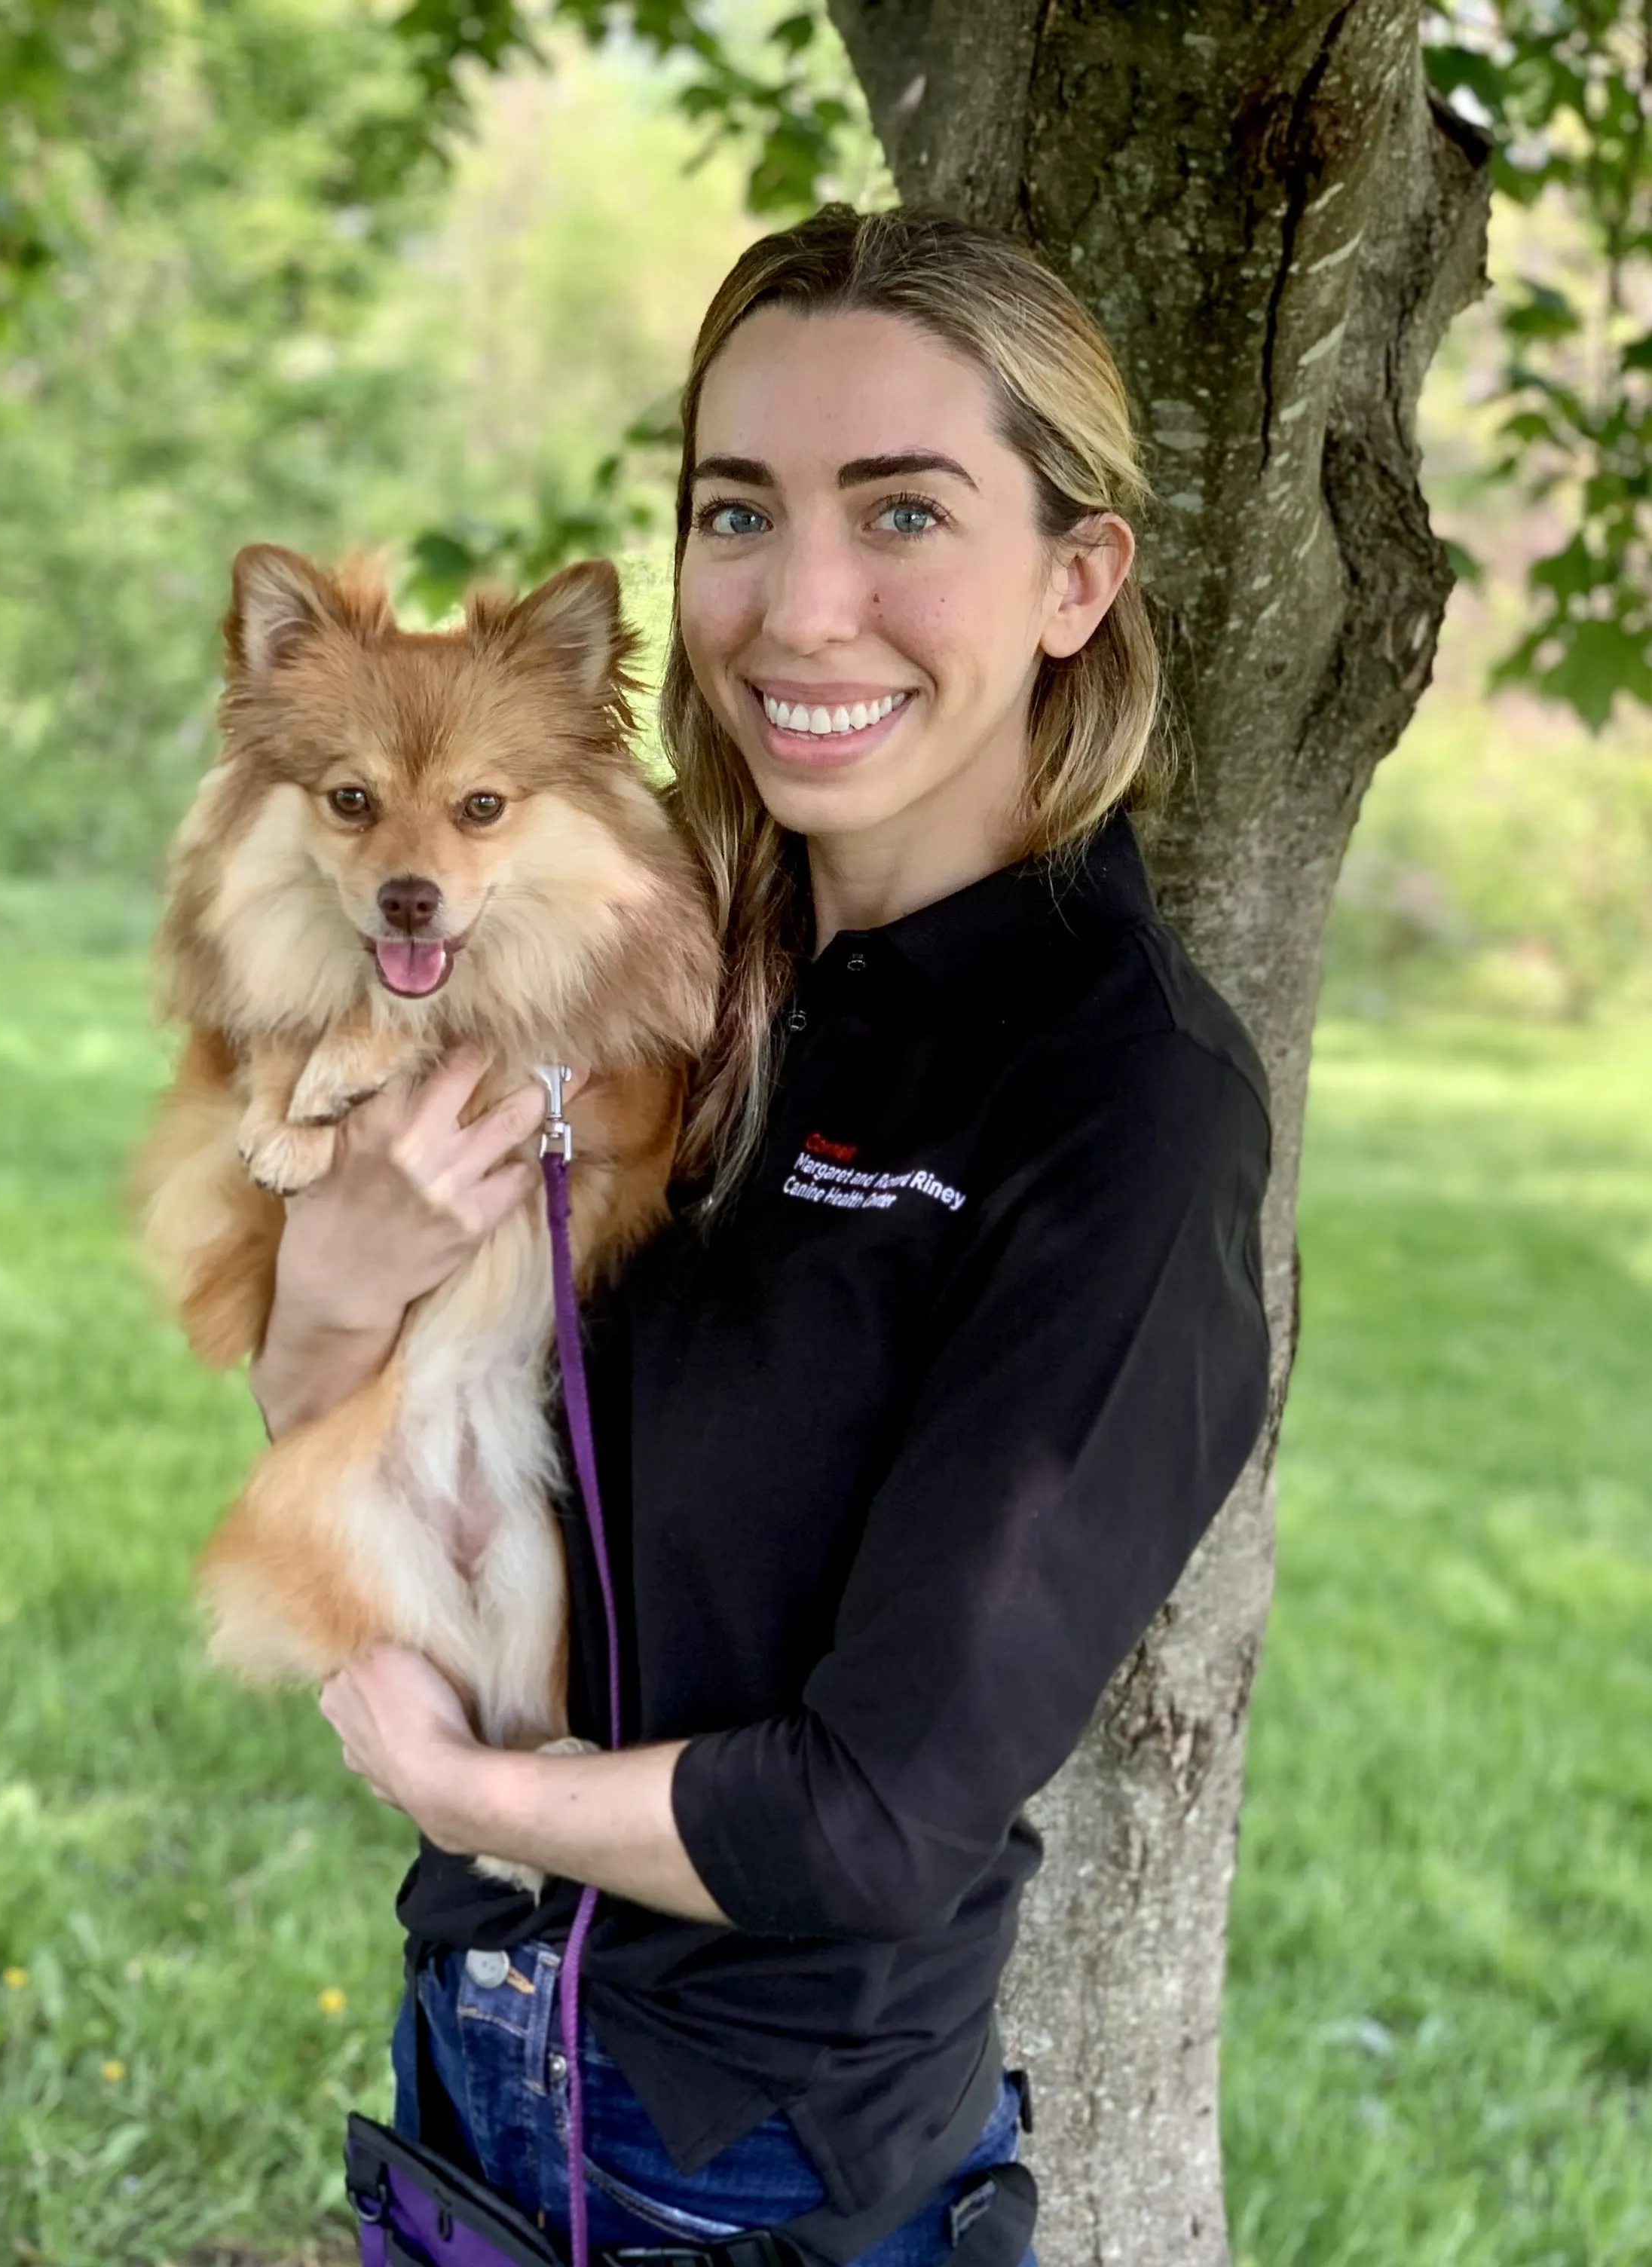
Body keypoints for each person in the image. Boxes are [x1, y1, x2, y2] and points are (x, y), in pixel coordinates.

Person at [256, 205, 1271, 2267]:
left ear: (1076, 579)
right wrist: (340, 1275)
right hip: (468, 2047)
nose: (802, 609)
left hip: (747, 2157)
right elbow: (349, 1445)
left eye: (902, 513)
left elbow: (871, 1814)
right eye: (740, 510)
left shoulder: (1120, 1097)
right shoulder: (640, 972)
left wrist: (484, 1807)